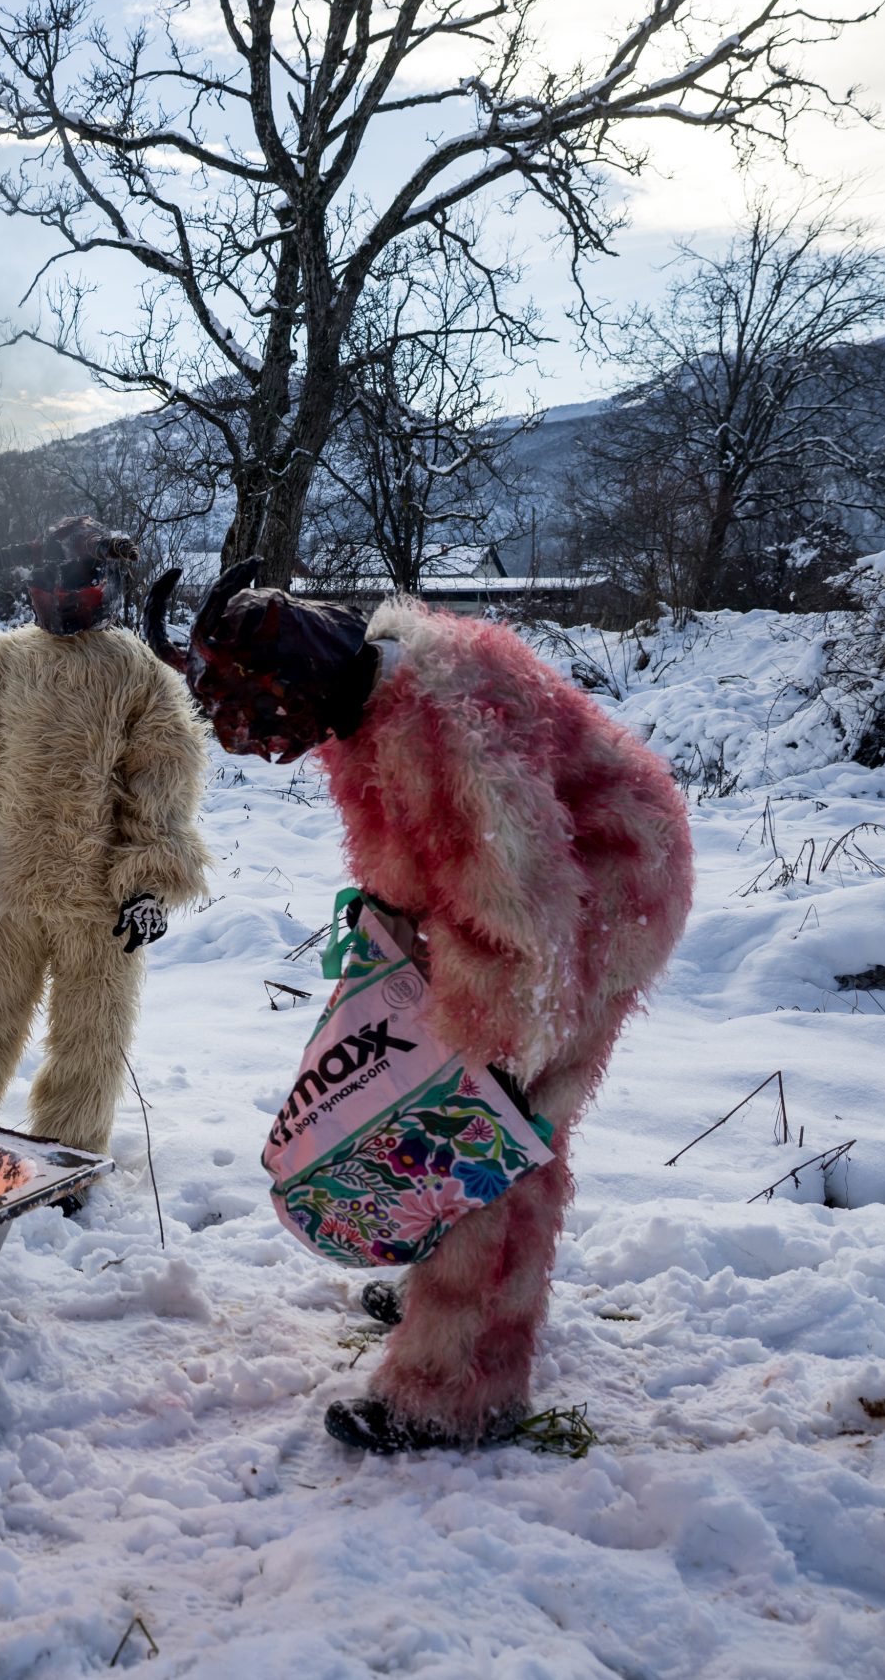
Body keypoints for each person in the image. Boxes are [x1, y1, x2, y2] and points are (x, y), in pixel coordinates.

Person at [148, 561, 693, 1450]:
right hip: (542, 885)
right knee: (469, 1098)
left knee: (493, 1125)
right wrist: (390, 966)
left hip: (608, 887)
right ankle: (451, 1288)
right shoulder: (371, 699)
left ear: (296, 679)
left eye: (261, 717)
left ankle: (458, 1386)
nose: (261, 741)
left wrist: (491, 1057)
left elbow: (519, 917)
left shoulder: (442, 733)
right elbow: (400, 862)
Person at [0, 517, 211, 1153]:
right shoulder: (4, 662)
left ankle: (68, 1158)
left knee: (90, 1040)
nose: (61, 593)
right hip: (0, 889)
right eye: (50, 578)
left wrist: (148, 883)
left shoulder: (139, 673)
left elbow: (162, 785)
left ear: (105, 582)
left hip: (97, 902)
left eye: (75, 577)